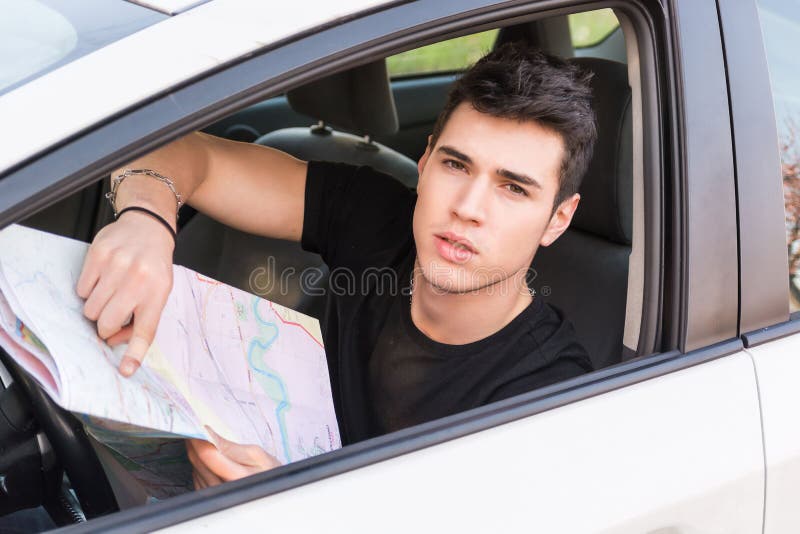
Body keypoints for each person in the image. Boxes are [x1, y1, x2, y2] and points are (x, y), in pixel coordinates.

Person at [76, 42, 597, 489]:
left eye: (513, 188)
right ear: (425, 162)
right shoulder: (377, 216)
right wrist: (147, 219)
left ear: (557, 219)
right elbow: (183, 154)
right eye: (456, 165)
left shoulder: (548, 394)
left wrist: (287, 505)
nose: (468, 207)